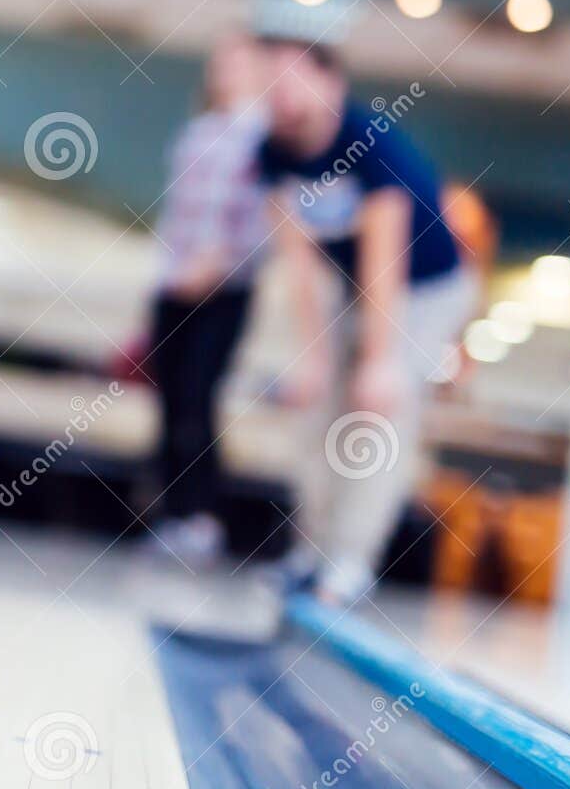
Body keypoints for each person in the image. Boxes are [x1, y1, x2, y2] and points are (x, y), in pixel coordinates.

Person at [255, 39, 472, 605]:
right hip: (351, 287)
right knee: (319, 412)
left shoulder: (371, 146)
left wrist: (381, 361)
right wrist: (314, 356)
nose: (281, 96)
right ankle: (310, 551)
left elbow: (386, 261)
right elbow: (298, 260)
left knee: (377, 417)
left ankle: (350, 560)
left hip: (425, 288)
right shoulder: (273, 152)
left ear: (331, 84)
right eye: (271, 83)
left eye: (293, 81)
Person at [141, 36, 270, 567]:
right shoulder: (197, 132)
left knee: (199, 397)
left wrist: (215, 267)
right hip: (173, 286)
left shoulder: (262, 137)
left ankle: (201, 517)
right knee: (170, 399)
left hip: (225, 290)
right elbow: (177, 216)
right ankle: (172, 513)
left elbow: (261, 224)